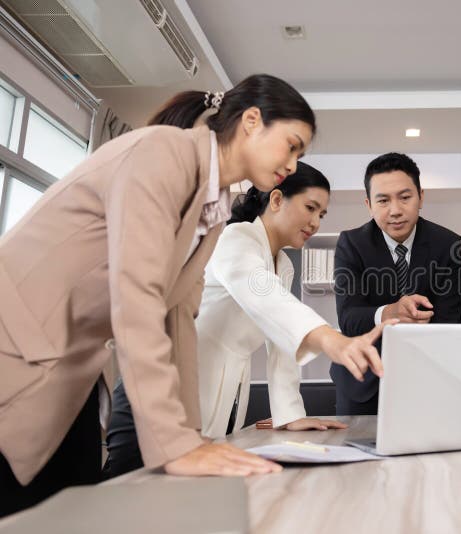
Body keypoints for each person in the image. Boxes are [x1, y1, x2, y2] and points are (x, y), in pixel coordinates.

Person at [0, 74, 379, 517]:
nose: (293, 163)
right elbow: (137, 300)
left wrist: (190, 436)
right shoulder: (161, 153)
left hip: (68, 370)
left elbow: (178, 315)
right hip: (19, 352)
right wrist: (175, 443)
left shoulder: (210, 208)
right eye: (292, 146)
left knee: (71, 514)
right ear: (252, 121)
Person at [102, 163, 392, 478]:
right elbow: (265, 297)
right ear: (277, 200)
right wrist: (329, 339)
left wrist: (290, 414)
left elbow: (281, 343)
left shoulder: (284, 266)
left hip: (213, 405)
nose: (315, 222)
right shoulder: (234, 239)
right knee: (120, 498)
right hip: (156, 397)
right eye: (310, 208)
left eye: (322, 215)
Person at [331, 152, 461, 415]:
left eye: (405, 197)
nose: (395, 210)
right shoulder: (351, 244)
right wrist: (391, 312)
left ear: (421, 197)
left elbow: (451, 322)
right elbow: (349, 318)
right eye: (383, 200)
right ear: (369, 204)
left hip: (427, 383)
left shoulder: (448, 244)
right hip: (362, 382)